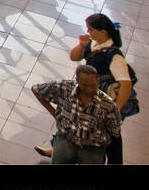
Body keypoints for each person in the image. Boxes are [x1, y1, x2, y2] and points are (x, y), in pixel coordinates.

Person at [35, 13, 135, 163]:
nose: (88, 32)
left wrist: (116, 109)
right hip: (90, 93)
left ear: (103, 32)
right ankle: (57, 149)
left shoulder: (114, 57)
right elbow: (74, 57)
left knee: (108, 137)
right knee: (73, 122)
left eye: (91, 29)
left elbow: (126, 85)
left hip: (102, 99)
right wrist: (82, 45)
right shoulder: (94, 44)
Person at [32, 66, 121, 165]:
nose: (89, 89)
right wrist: (55, 115)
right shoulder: (65, 88)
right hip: (66, 141)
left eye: (93, 85)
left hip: (92, 149)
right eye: (85, 85)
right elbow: (36, 90)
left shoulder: (108, 105)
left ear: (97, 80)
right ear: (77, 80)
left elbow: (115, 133)